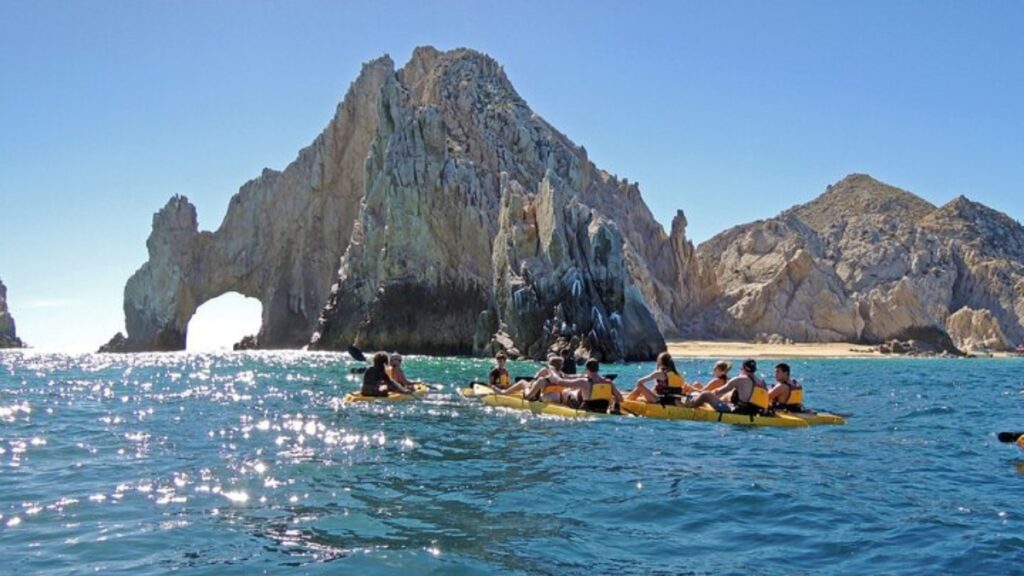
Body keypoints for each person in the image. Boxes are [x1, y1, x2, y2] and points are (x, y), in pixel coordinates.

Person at [686, 358, 770, 415]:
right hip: (753, 412)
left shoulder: (739, 379)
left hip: (737, 412)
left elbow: (719, 391)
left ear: (743, 368)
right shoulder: (761, 382)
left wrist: (700, 395)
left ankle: (689, 405)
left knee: (705, 394)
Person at [625, 351, 696, 405]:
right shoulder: (677, 374)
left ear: (660, 362)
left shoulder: (660, 374)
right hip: (674, 401)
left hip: (662, 401)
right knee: (643, 390)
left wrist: (655, 374)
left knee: (639, 387)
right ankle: (628, 400)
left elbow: (639, 382)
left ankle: (624, 403)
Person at [510, 355, 589, 402]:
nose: (563, 366)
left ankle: (503, 392)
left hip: (543, 396)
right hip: (556, 396)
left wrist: (532, 383)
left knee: (523, 382)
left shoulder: (548, 373)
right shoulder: (561, 374)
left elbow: (536, 378)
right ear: (559, 366)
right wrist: (582, 376)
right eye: (562, 365)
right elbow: (570, 376)